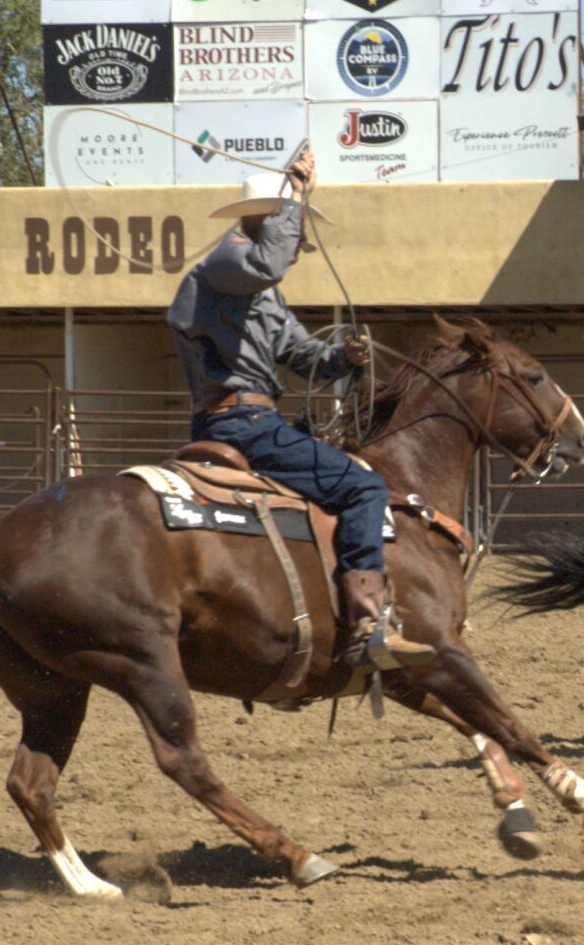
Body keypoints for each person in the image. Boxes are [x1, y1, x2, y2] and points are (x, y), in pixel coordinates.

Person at [166, 151, 435, 665]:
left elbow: (304, 356)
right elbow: (268, 261)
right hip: (241, 422)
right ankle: (368, 621)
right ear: (265, 222)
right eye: (293, 234)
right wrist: (296, 196)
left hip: (250, 419)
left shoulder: (260, 293)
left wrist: (343, 357)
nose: (297, 251)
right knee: (363, 486)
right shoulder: (227, 260)